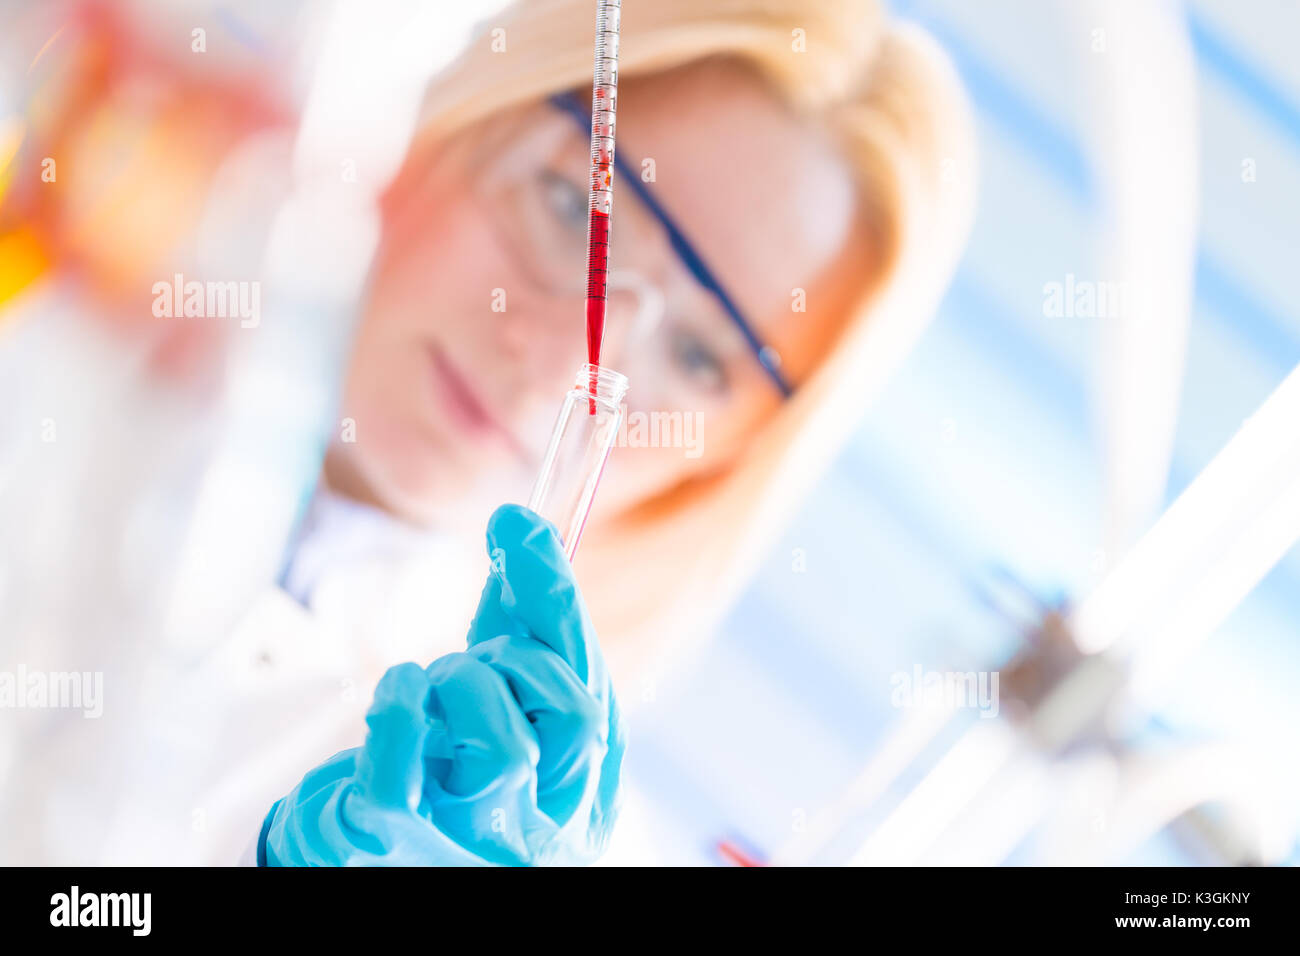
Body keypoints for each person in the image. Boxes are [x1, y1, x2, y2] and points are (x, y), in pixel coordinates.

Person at [0, 0, 974, 865]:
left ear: (726, 464)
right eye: (569, 207)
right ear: (467, 97)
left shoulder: (499, 830)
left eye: (699, 358)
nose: (558, 361)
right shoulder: (54, 246)